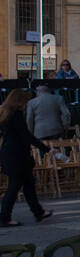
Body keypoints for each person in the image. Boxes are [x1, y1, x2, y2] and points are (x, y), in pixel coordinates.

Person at [0, 90, 52, 227]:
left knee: (28, 184)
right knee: (15, 186)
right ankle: (4, 217)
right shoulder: (16, 115)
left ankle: (38, 212)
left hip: (10, 154)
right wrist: (46, 149)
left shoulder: (6, 114)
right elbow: (26, 136)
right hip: (18, 156)